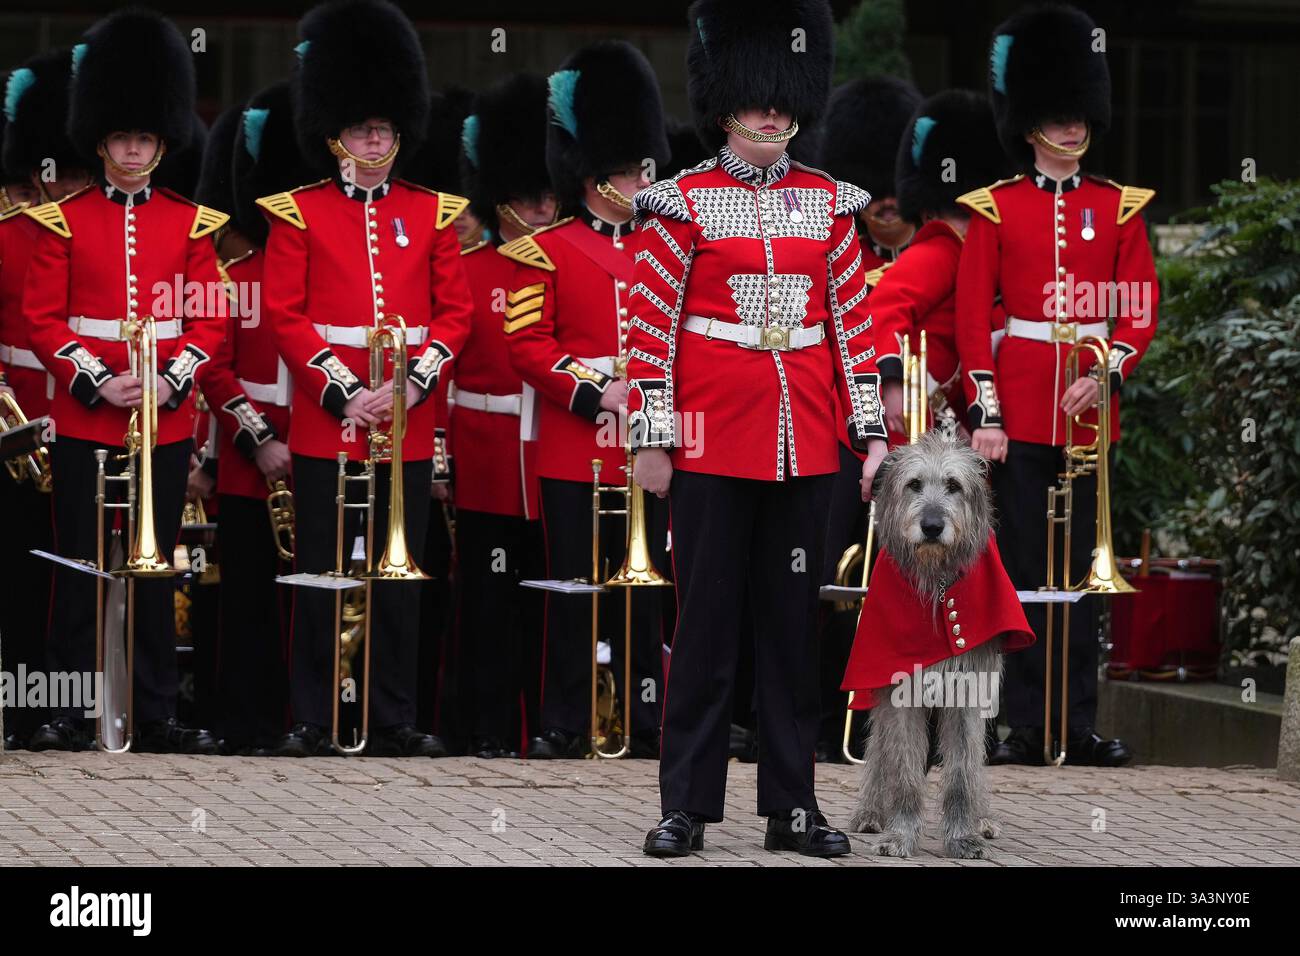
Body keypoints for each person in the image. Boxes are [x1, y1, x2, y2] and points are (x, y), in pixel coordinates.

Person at [627, 0, 888, 857]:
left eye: (781, 101)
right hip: (709, 439)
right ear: (726, 105)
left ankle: (793, 806)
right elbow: (649, 331)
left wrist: (874, 434)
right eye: (755, 101)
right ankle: (687, 808)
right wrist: (652, 437)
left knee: (790, 628)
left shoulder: (831, 204)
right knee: (703, 627)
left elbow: (854, 327)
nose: (771, 114)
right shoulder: (679, 203)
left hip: (808, 440)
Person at [261, 0, 472, 758]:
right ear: (334, 135)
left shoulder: (434, 213)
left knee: (398, 573)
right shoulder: (299, 214)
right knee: (322, 573)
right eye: (360, 129)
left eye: (383, 129)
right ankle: (315, 713)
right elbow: (286, 317)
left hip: (407, 422)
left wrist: (412, 385)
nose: (374, 139)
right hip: (330, 418)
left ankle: (392, 714)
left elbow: (456, 316)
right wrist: (344, 390)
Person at [955, 4, 1158, 767]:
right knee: (1023, 573)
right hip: (1018, 413)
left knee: (1081, 575)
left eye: (1079, 116)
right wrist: (989, 414)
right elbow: (976, 322)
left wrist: (1105, 375)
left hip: (1085, 416)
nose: (1072, 129)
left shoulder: (1119, 206)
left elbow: (1137, 309)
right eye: (1057, 116)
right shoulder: (995, 208)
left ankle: (1075, 723)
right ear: (1030, 121)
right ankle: (1020, 724)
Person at [24, 10, 226, 753]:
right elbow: (44, 321)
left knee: (151, 565)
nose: (133, 148)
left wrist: (172, 381)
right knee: (77, 567)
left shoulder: (192, 225)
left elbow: (210, 324)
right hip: (88, 418)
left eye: (144, 137)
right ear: (100, 142)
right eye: (121, 138)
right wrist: (95, 383)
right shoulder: (63, 223)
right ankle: (68, 708)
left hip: (164, 420)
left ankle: (155, 710)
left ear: (162, 140)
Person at [502, 40, 670, 760]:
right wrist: (599, 390)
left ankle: (642, 714)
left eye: (642, 168)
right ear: (595, 174)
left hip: (651, 442)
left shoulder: (668, 247)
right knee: (573, 592)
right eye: (630, 170)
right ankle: (565, 719)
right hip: (576, 444)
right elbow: (527, 346)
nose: (641, 180)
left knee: (645, 590)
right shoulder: (546, 250)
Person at [194, 82, 317, 754]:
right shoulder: (237, 274)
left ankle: (304, 720)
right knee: (247, 598)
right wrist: (260, 438)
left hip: (322, 457)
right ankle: (244, 722)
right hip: (252, 468)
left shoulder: (332, 273)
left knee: (311, 603)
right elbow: (212, 368)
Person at [451, 74, 553, 758]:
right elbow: (443, 373)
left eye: (548, 198)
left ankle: (549, 725)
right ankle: (486, 729)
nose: (540, 213)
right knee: (485, 605)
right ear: (499, 201)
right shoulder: (468, 270)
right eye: (525, 201)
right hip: (485, 462)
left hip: (549, 464)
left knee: (546, 606)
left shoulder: (568, 266)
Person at [0, 49, 94, 749]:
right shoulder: (6, 238)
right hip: (17, 436)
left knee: (83, 580)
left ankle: (80, 708)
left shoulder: (99, 236)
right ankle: (25, 710)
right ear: (37, 172)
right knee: (24, 580)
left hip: (91, 425)